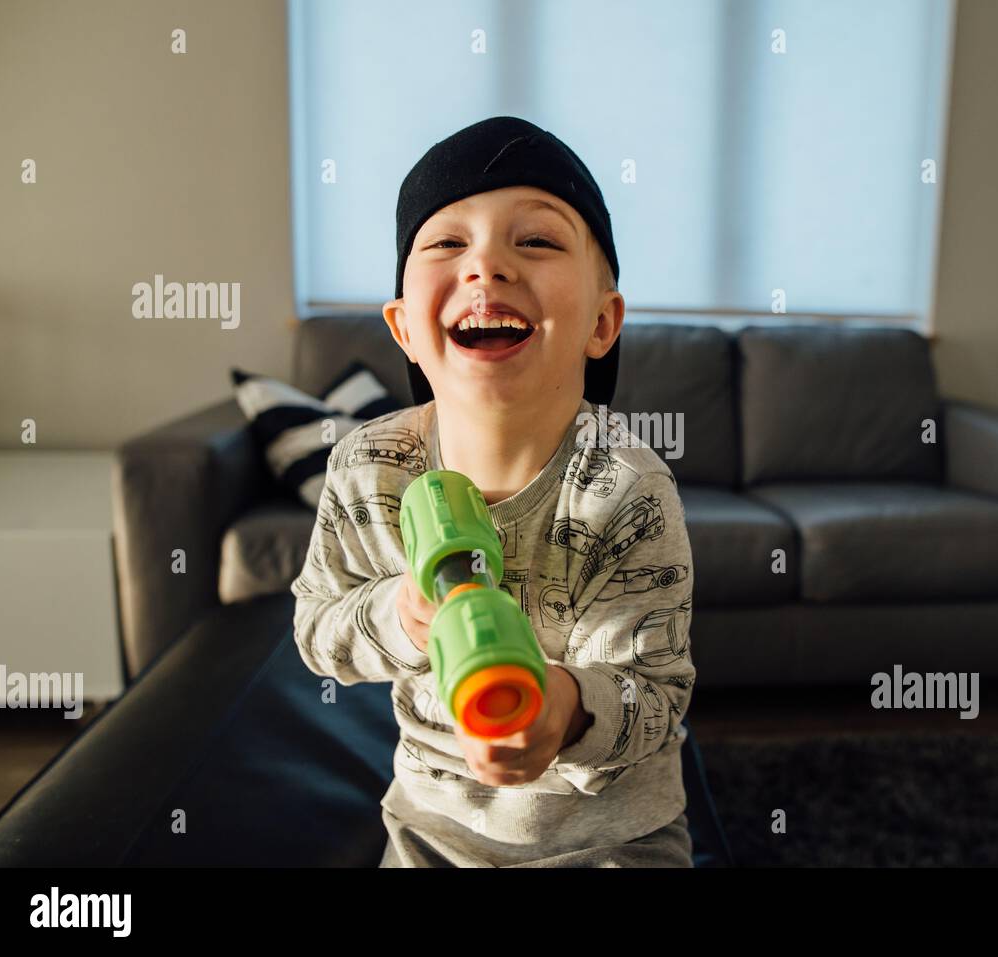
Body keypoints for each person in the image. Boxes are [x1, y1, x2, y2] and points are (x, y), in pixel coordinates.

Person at [290, 116, 696, 867]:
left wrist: (565, 709)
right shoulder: (367, 469)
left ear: (602, 322)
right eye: (447, 243)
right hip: (432, 831)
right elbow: (317, 631)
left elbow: (656, 694)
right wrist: (403, 615)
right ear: (405, 326)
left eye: (536, 241)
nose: (487, 265)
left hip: (612, 834)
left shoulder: (627, 490)